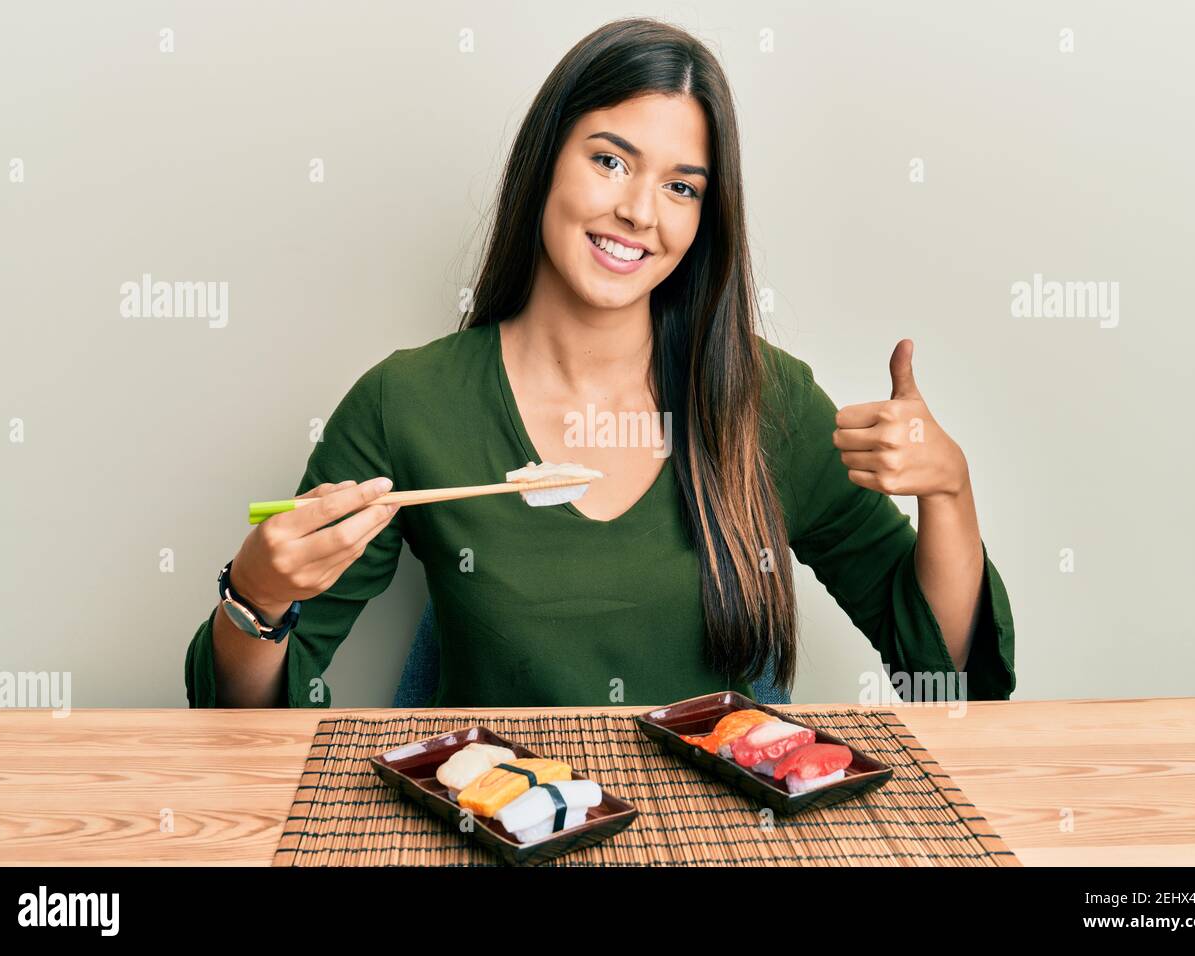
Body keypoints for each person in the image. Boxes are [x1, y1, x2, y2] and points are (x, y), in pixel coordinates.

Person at [185, 17, 1014, 709]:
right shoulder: (406, 403)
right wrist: (256, 598)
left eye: (682, 187)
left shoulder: (768, 401)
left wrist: (950, 490)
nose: (637, 212)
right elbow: (248, 722)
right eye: (610, 160)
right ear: (547, 157)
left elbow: (940, 674)